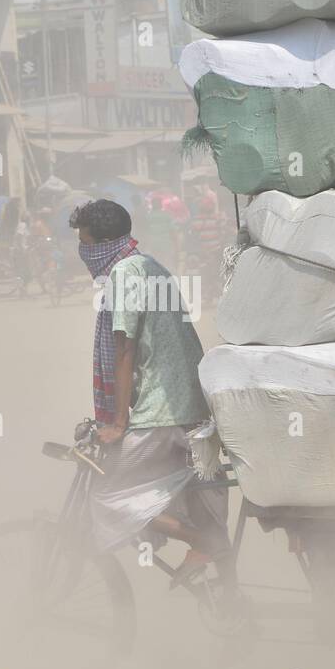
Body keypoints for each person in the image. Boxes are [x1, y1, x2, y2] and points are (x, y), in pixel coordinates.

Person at [70, 199, 231, 590]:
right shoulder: (148, 265)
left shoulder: (125, 274)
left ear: (104, 243)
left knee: (106, 492)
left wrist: (118, 423)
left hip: (160, 411)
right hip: (187, 404)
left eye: (86, 244)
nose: (83, 254)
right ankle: (228, 593)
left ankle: (200, 542)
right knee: (192, 496)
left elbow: (124, 347)